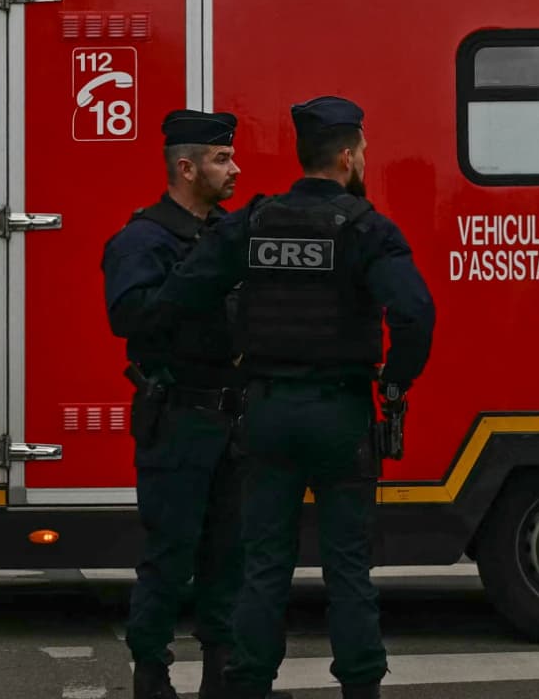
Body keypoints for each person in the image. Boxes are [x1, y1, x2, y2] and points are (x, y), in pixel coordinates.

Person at [147, 96, 434, 699]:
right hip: (340, 412)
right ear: (349, 156)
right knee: (348, 569)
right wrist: (396, 380)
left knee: (263, 567)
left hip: (266, 412)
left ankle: (247, 683)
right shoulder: (366, 228)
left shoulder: (253, 221)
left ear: (304, 156)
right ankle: (360, 687)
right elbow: (413, 314)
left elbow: (180, 294)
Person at [102, 110, 245, 699]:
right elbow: (130, 316)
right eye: (220, 159)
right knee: (169, 555)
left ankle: (222, 674)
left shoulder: (232, 233)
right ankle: (151, 675)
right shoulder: (142, 239)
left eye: (231, 157)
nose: (234, 169)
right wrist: (205, 275)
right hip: (179, 418)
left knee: (228, 560)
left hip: (236, 420)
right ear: (186, 168)